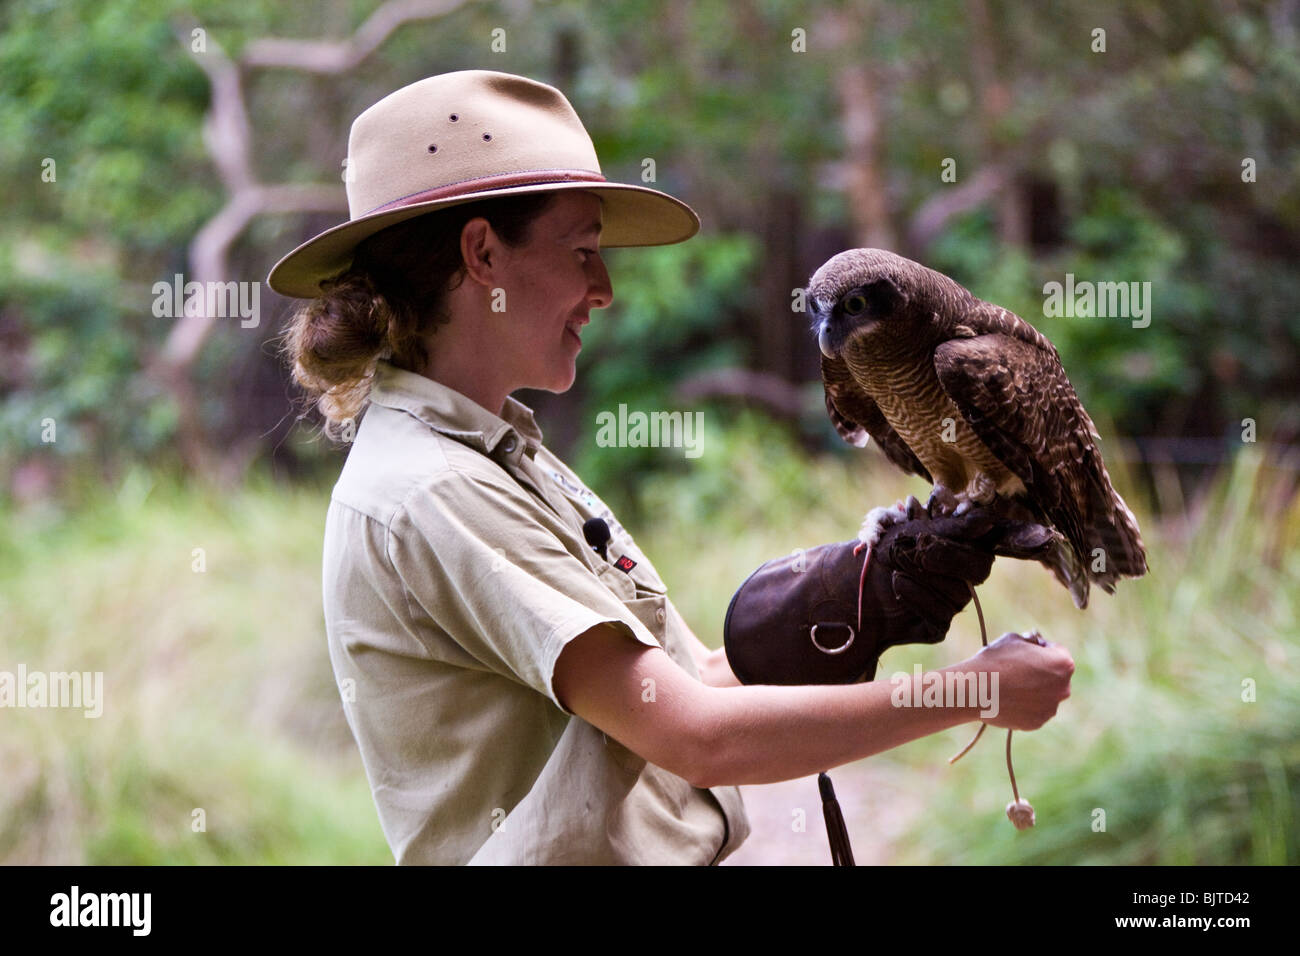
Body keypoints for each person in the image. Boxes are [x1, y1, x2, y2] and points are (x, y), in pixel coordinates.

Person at [269, 70, 1074, 865]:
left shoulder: (503, 460)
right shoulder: (434, 490)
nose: (605, 287)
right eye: (582, 250)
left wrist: (869, 591)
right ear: (481, 253)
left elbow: (696, 685)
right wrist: (973, 691)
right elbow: (697, 738)